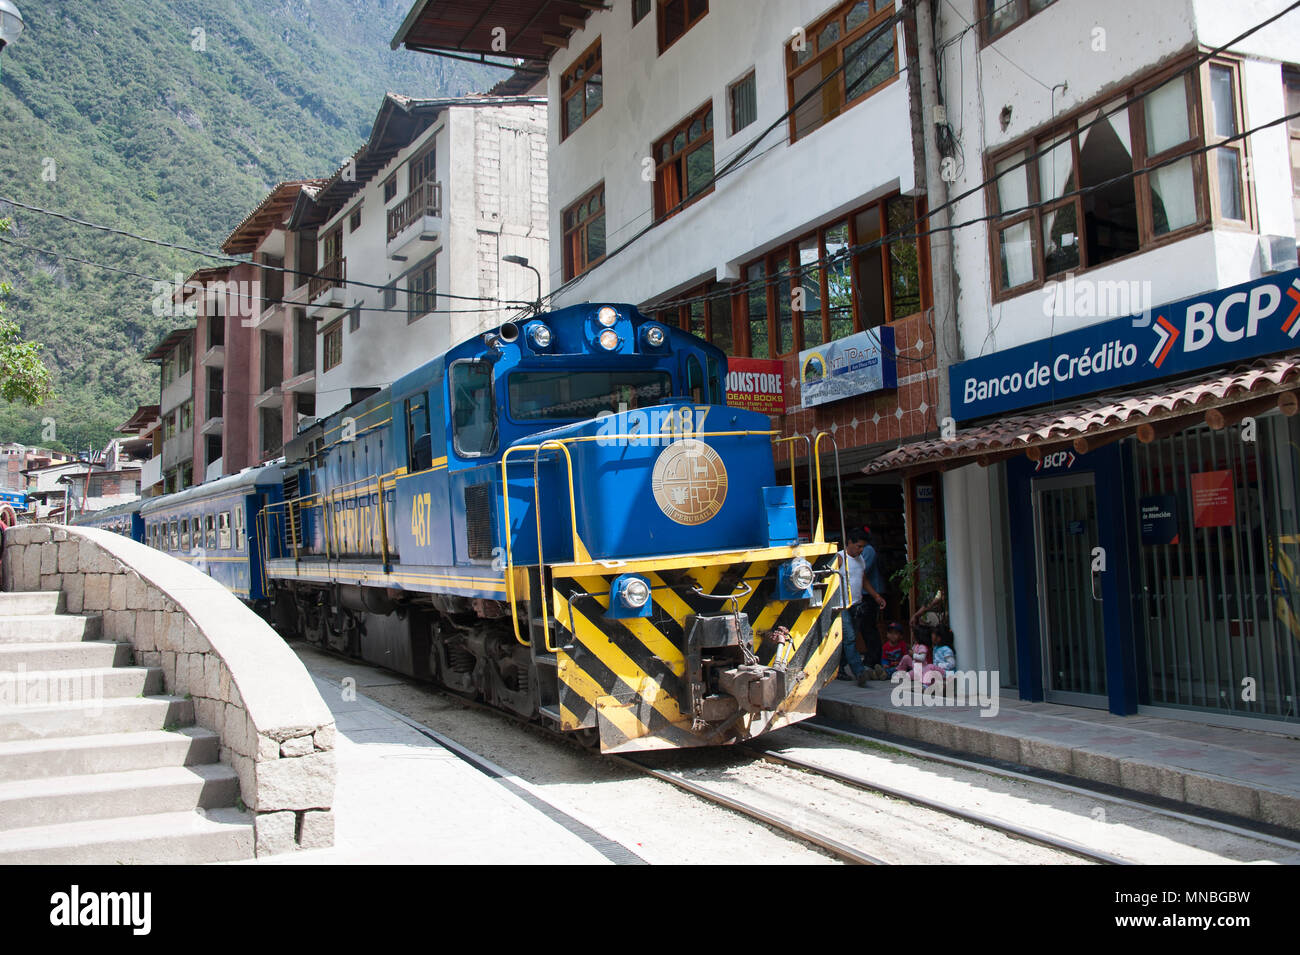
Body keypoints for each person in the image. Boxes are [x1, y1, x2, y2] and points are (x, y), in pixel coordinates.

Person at [838, 528, 887, 687]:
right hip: (843, 606)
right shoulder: (839, 558)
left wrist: (876, 596)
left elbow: (864, 580)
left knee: (849, 639)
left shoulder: (860, 560)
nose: (861, 550)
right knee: (850, 638)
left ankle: (839, 668)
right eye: (858, 546)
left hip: (857, 604)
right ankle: (859, 672)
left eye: (862, 547)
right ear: (850, 543)